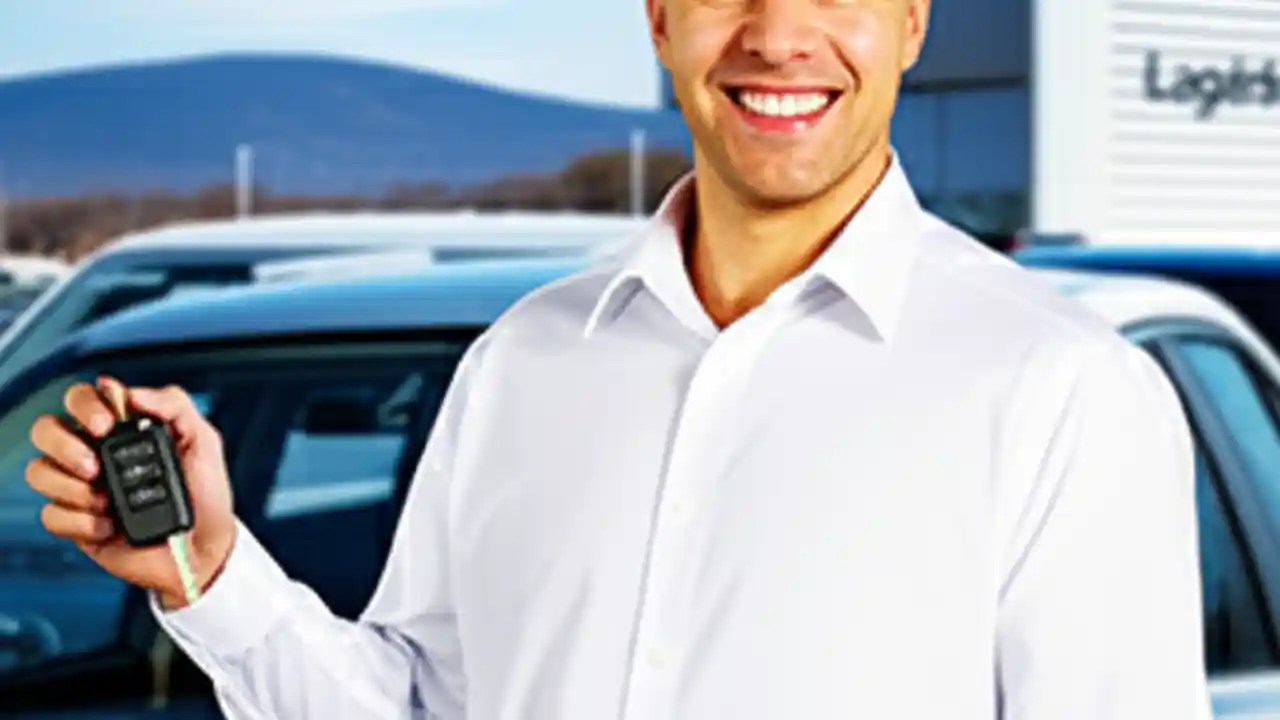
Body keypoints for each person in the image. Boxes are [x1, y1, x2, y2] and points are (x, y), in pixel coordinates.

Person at [28, 0, 1212, 718]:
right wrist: (210, 571)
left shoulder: (1062, 390)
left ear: (913, 16)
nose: (777, 33)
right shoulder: (522, 368)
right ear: (656, 17)